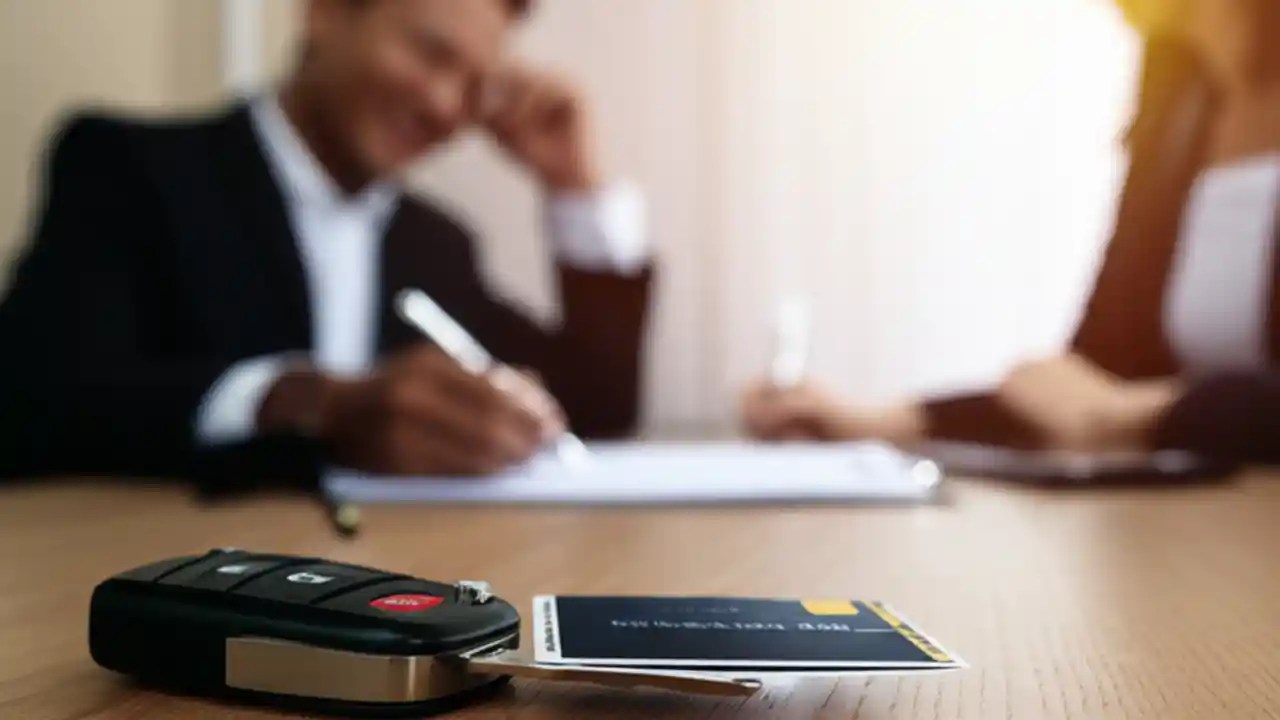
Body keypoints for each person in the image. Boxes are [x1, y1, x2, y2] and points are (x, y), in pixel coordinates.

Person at [0, 0, 652, 490]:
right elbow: (37, 404)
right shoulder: (131, 169)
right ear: (325, 12)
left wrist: (574, 183)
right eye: (432, 55)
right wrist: (306, 403)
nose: (447, 106)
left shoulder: (436, 243)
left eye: (476, 87)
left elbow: (595, 406)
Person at [743, 0, 1280, 465]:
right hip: (1188, 534)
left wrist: (1141, 413)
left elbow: (1112, 407)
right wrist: (884, 421)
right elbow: (1092, 380)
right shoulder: (1180, 93)